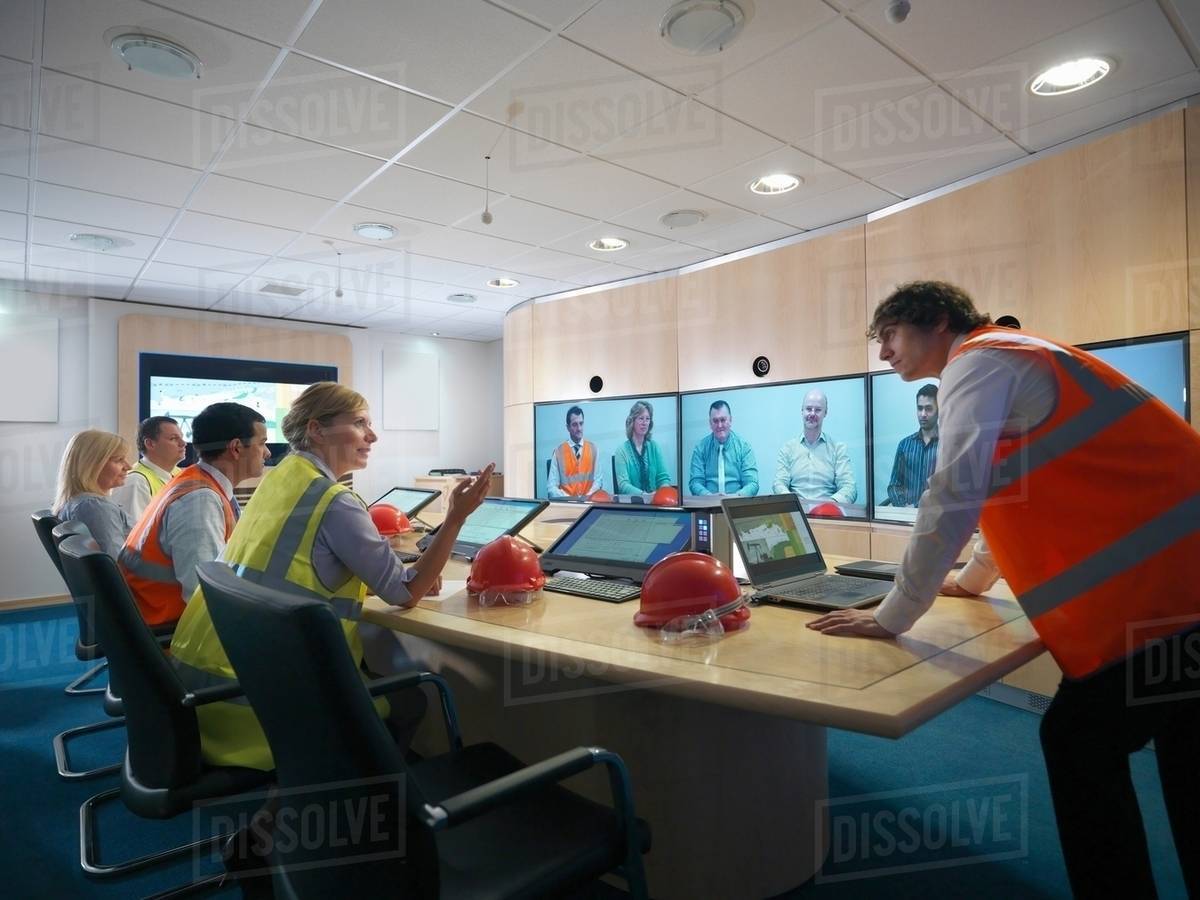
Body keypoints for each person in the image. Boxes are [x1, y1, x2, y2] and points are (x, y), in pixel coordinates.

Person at [808, 280, 1200, 899]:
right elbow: (1009, 486)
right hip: (1179, 596)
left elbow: (954, 491)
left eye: (889, 334)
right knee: (1178, 751)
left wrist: (893, 616)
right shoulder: (1018, 356)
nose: (882, 352)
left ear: (937, 321)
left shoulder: (981, 360)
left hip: (1163, 603)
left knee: (1076, 741)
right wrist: (971, 580)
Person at [170, 382, 494, 772]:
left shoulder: (279, 479)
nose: (372, 435)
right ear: (316, 430)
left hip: (206, 683)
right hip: (255, 704)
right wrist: (456, 516)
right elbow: (405, 592)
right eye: (360, 423)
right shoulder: (334, 501)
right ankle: (354, 801)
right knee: (412, 700)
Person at [120, 403, 271, 628]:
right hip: (172, 630)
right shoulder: (200, 501)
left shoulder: (195, 481)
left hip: (154, 618)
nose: (267, 453)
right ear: (236, 448)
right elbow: (205, 595)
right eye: (262, 443)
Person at [52, 429, 134, 559]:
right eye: (119, 460)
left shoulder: (79, 502)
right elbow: (117, 563)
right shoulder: (96, 507)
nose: (128, 467)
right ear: (92, 464)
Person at [772, 388, 856, 503]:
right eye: (808, 409)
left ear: (825, 413)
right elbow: (779, 483)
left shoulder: (838, 449)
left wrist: (830, 505)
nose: (812, 413)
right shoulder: (788, 449)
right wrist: (791, 502)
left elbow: (849, 488)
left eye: (818, 410)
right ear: (802, 411)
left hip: (828, 515)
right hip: (796, 512)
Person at [110, 415, 187, 523]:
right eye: (173, 438)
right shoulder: (135, 481)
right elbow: (133, 533)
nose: (183, 443)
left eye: (182, 437)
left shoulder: (179, 474)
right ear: (150, 444)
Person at [882, 383, 938, 507]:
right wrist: (904, 508)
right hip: (906, 518)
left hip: (937, 517)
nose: (923, 414)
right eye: (920, 408)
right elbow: (894, 485)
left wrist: (917, 507)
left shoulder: (949, 445)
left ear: (939, 410)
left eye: (928, 409)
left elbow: (949, 490)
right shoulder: (905, 445)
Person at [688, 400, 758, 496]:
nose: (719, 425)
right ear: (710, 423)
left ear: (730, 420)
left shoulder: (744, 447)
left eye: (723, 420)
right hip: (707, 506)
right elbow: (695, 483)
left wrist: (735, 497)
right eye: (715, 421)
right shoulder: (700, 448)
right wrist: (709, 497)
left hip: (736, 504)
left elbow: (752, 484)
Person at [614, 400, 672, 495]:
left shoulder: (655, 447)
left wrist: (661, 493)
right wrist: (644, 496)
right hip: (632, 505)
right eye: (641, 418)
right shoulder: (621, 450)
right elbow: (623, 485)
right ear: (632, 421)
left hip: (655, 502)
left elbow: (663, 478)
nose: (644, 423)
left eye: (647, 419)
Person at [547, 405, 603, 498]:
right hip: (567, 506)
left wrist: (586, 499)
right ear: (568, 427)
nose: (579, 428)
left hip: (589, 504)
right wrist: (570, 500)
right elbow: (551, 488)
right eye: (575, 424)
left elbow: (598, 481)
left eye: (581, 423)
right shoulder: (558, 452)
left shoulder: (594, 449)